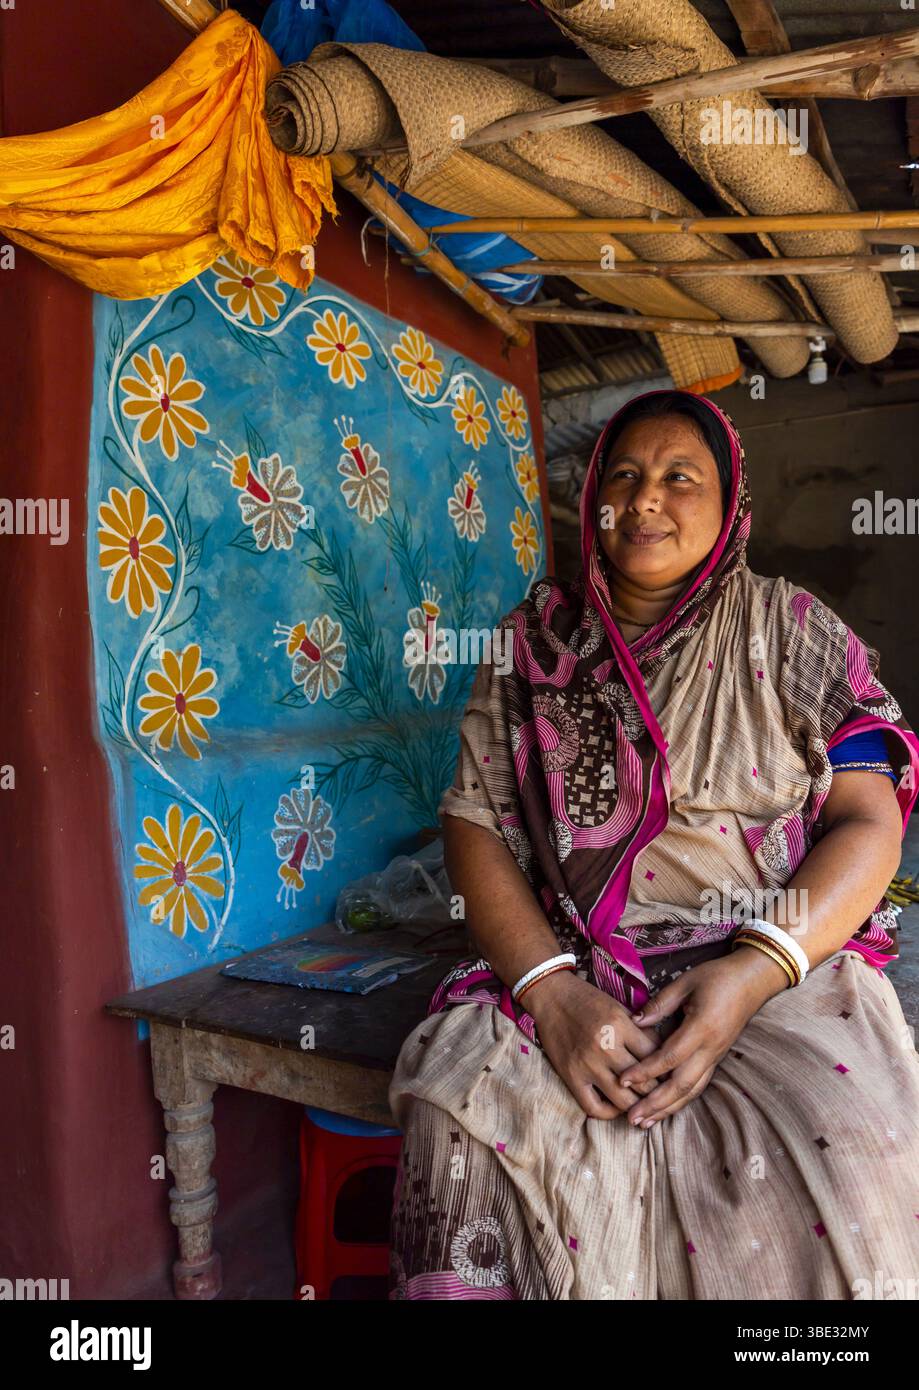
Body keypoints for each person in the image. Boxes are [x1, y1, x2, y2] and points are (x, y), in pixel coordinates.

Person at [387, 389, 919, 1301]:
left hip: (773, 964)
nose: (643, 500)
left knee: (850, 1150)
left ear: (728, 508)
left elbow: (870, 820)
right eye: (624, 476)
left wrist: (751, 973)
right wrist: (550, 995)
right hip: (570, 968)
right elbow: (474, 822)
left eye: (680, 478)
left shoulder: (787, 630)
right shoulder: (531, 645)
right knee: (462, 1112)